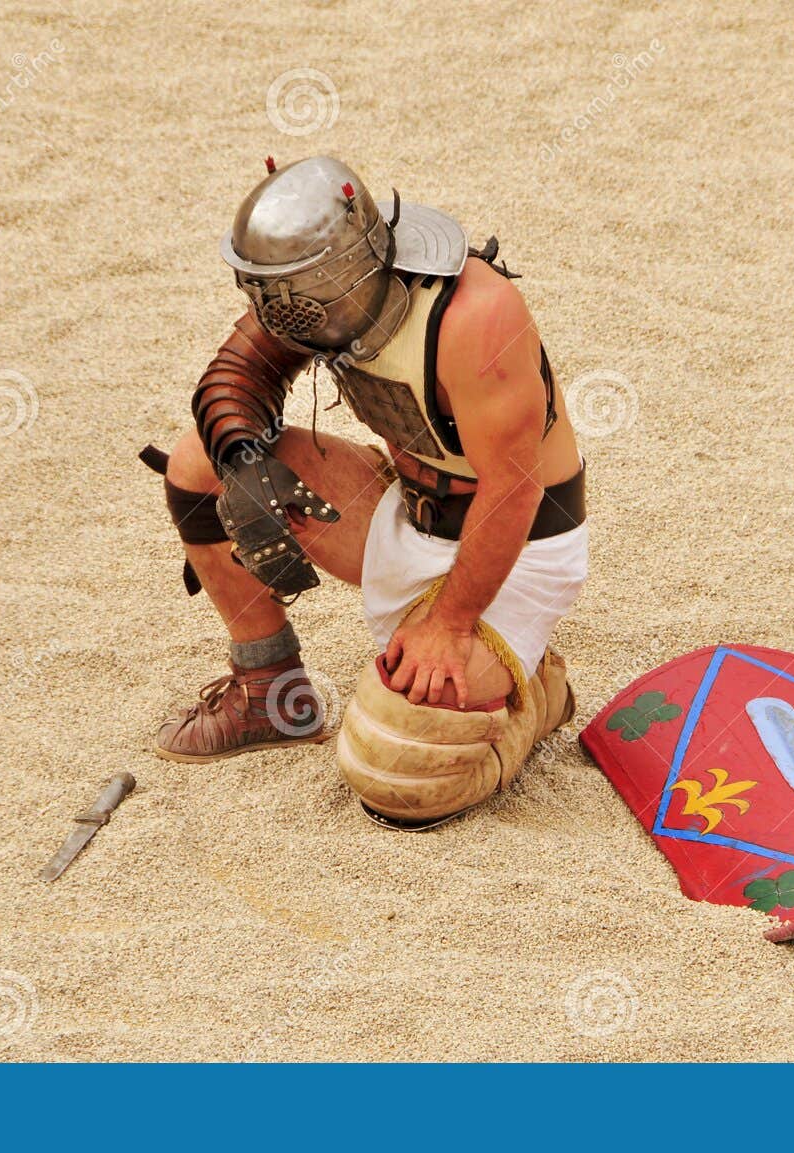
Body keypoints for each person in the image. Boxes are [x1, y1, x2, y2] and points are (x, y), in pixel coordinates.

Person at [142, 156, 587, 828]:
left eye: (286, 295)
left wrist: (449, 624)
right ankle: (269, 690)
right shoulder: (326, 301)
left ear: (338, 272)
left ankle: (535, 691)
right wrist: (241, 463)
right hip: (404, 513)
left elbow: (515, 490)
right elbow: (237, 376)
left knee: (396, 768)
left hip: (514, 547)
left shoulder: (476, 318)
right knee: (201, 467)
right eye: (266, 292)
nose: (273, 311)